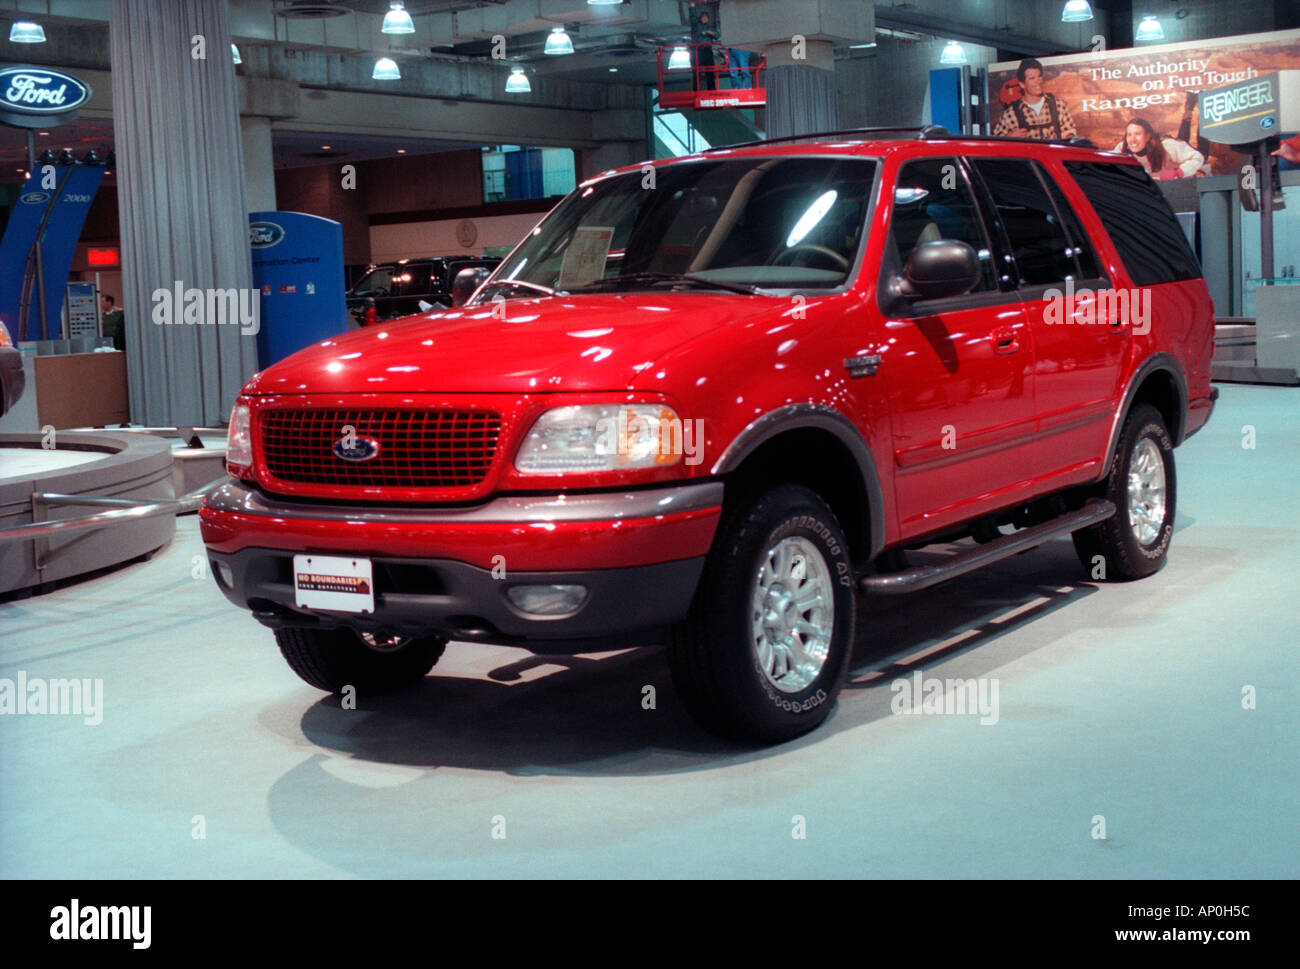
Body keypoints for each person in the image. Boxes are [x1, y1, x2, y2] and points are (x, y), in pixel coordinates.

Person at [993, 58, 1078, 141]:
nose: (1038, 81)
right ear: (1022, 84)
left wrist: (1068, 137)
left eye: (1039, 76)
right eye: (1032, 78)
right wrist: (1009, 138)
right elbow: (995, 146)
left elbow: (1070, 133)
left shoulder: (1059, 106)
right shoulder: (1010, 115)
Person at [1114, 118, 1204, 179]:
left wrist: (1178, 172)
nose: (1133, 139)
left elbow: (1197, 157)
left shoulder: (1167, 146)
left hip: (1174, 189)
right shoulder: (1121, 149)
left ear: (1148, 137)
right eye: (1129, 135)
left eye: (1137, 134)